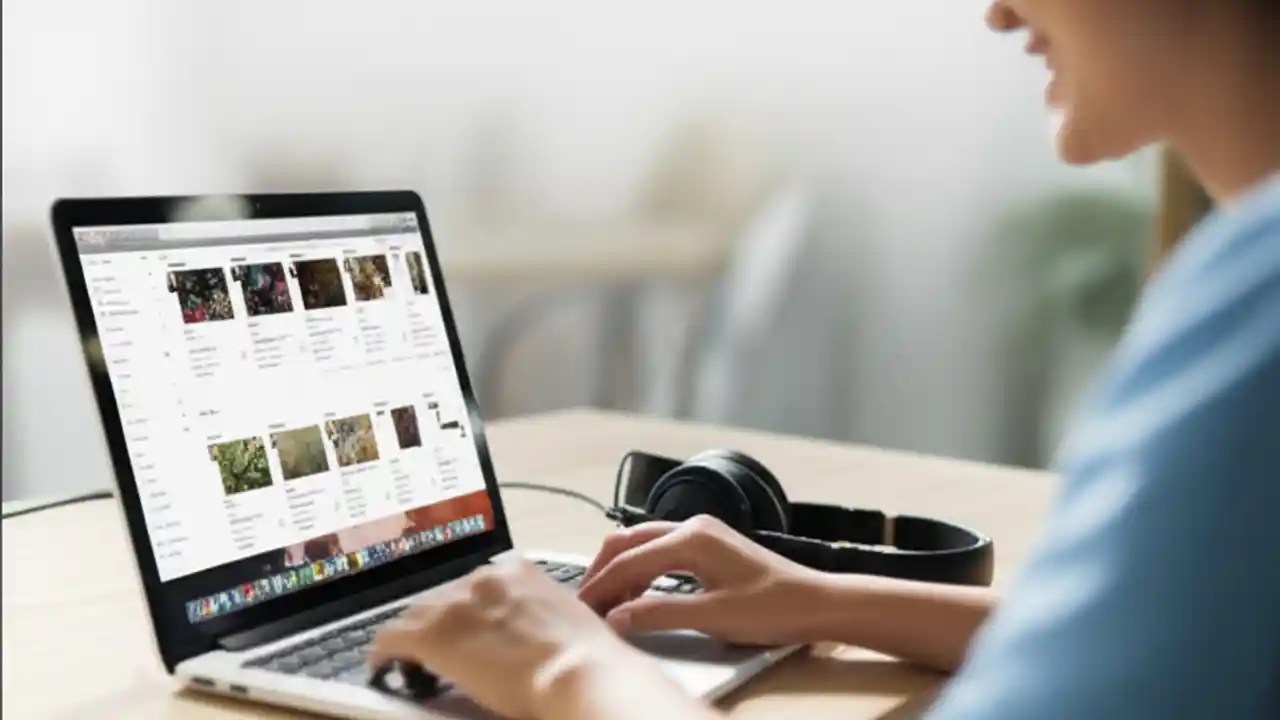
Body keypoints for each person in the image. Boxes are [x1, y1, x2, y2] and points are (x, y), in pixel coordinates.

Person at [369, 1, 1280, 717]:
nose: (998, 12)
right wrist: (822, 598)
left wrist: (563, 664)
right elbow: (1194, 637)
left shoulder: (1259, 304)